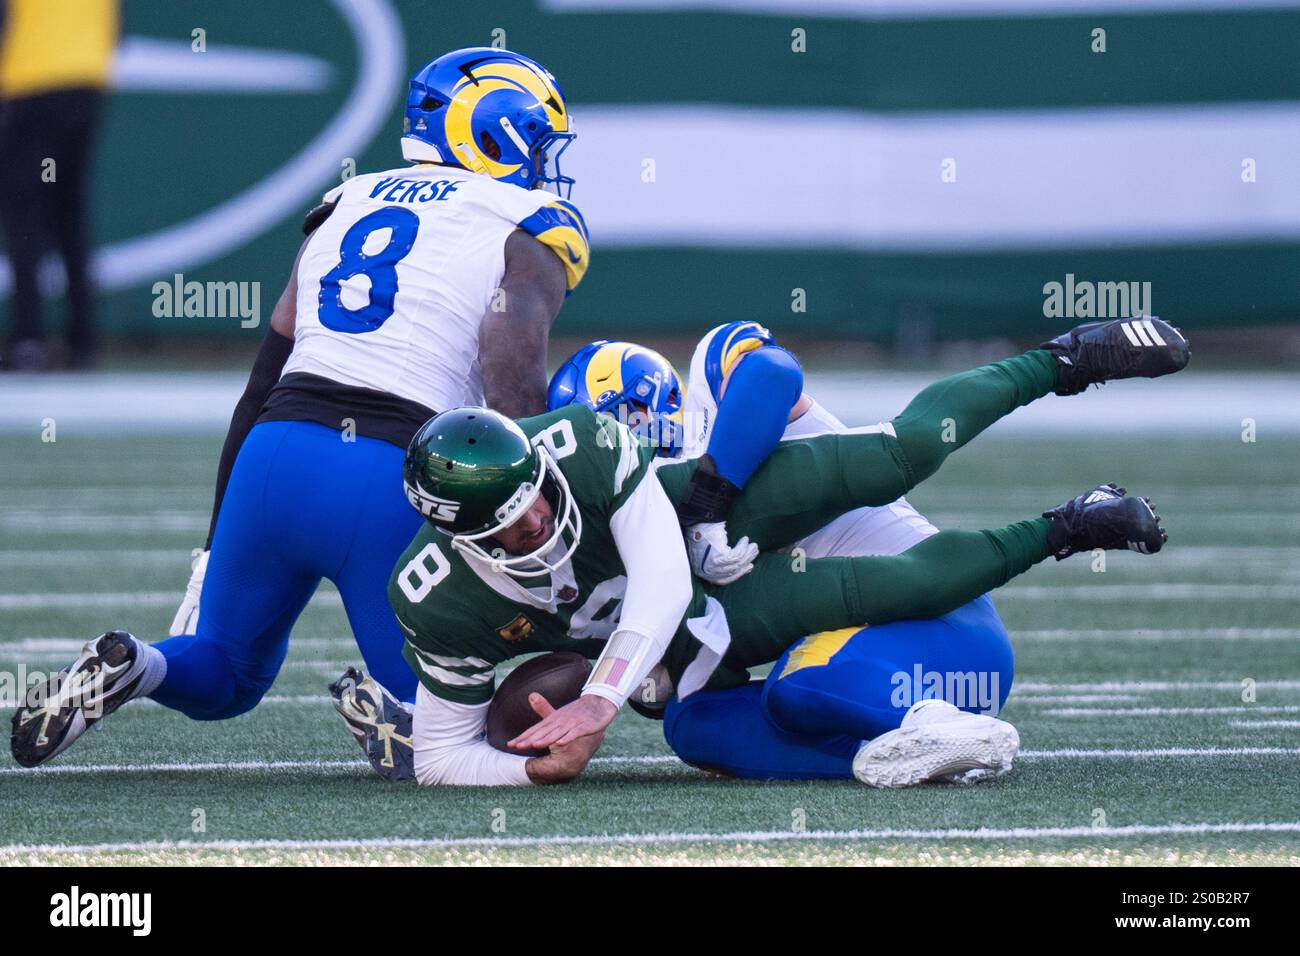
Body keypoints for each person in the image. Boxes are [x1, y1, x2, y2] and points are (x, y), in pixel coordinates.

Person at [10, 47, 589, 777]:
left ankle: (137, 665)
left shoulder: (348, 202)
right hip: (391, 472)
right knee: (455, 731)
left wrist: (215, 544)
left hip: (274, 453)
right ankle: (395, 712)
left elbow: (258, 385)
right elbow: (513, 389)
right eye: (537, 142)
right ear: (492, 134)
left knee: (223, 674)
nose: (546, 163)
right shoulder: (524, 223)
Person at [385, 316, 1187, 786]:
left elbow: (768, 372)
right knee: (702, 721)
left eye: (630, 429)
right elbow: (671, 644)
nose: (626, 448)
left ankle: (1068, 381)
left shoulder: (702, 420)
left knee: (895, 458)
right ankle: (897, 750)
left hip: (927, 608)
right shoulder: (533, 562)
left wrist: (709, 498)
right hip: (811, 627)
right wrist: (629, 691)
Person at [0, 0, 119, 370]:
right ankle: (82, 338)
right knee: (68, 208)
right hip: (86, 80)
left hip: (30, 81)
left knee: (25, 210)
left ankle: (27, 338)